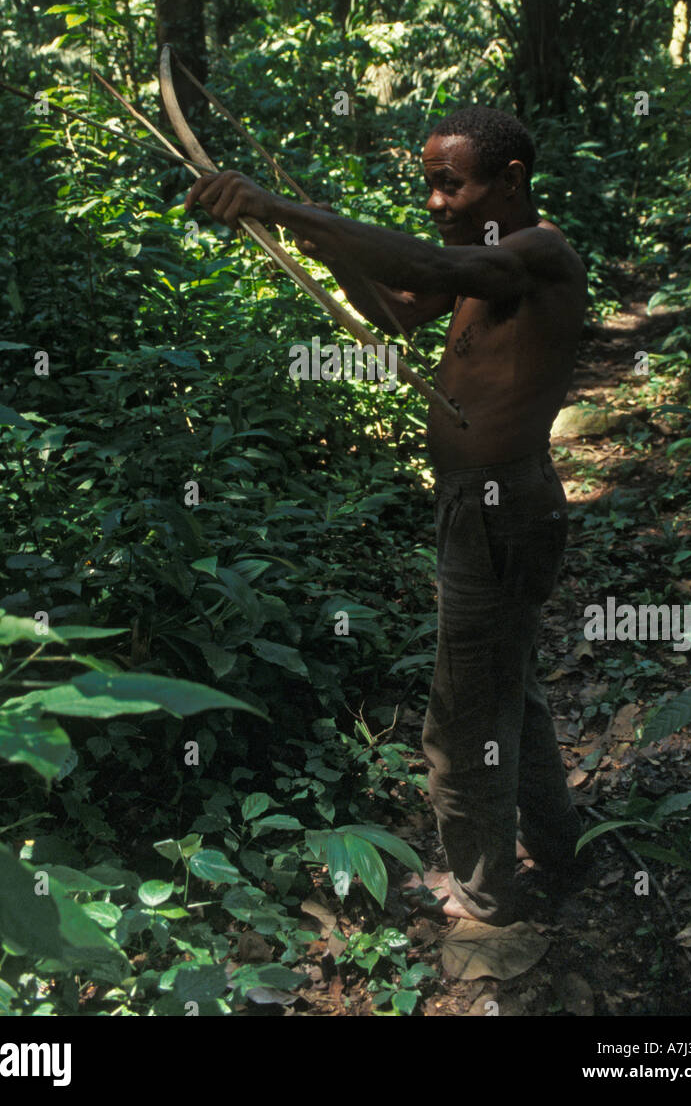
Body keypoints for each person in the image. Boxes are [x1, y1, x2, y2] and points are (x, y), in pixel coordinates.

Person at [184, 104, 589, 925]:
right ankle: (558, 848)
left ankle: (483, 904)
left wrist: (284, 208)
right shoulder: (479, 259)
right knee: (505, 684)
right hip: (483, 508)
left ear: (508, 180)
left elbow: (428, 270)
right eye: (429, 187)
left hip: (499, 506)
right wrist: (318, 244)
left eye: (450, 185)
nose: (436, 203)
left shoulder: (535, 253)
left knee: (462, 714)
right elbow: (398, 310)